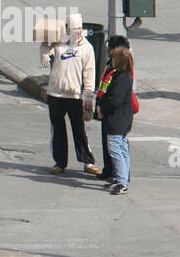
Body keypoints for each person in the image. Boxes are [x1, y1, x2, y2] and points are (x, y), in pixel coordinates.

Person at [40, 15, 100, 175]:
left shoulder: (87, 48)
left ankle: (88, 162)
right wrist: (44, 53)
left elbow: (89, 73)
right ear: (68, 29)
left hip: (74, 96)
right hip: (55, 94)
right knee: (58, 130)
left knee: (79, 130)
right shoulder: (59, 41)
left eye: (80, 28)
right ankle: (60, 162)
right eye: (74, 29)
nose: (78, 31)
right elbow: (45, 44)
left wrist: (88, 96)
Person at [98, 45, 135, 194]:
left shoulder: (121, 78)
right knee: (122, 147)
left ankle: (121, 182)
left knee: (115, 148)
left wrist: (102, 109)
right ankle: (123, 178)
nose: (110, 60)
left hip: (117, 118)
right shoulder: (123, 75)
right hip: (123, 117)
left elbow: (115, 100)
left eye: (113, 58)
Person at [92, 35, 128, 182]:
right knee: (107, 142)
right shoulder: (110, 65)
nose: (108, 50)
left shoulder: (122, 71)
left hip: (115, 113)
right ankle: (109, 170)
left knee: (116, 146)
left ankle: (120, 176)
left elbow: (116, 97)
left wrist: (103, 107)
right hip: (105, 108)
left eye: (110, 48)